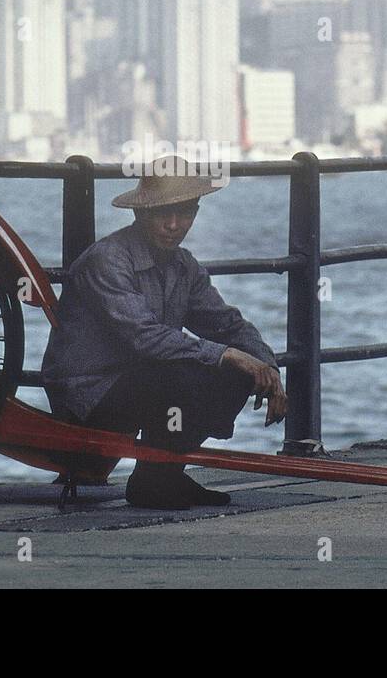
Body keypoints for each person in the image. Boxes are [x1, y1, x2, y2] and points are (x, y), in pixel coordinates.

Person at [41, 155, 286, 509]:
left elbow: (228, 324)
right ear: (141, 214)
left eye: (185, 212)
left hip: (143, 380)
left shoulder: (185, 266)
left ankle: (163, 474)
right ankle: (157, 479)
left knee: (234, 371)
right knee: (186, 374)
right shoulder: (108, 260)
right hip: (89, 391)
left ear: (196, 213)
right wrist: (229, 355)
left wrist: (266, 366)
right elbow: (145, 338)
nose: (174, 225)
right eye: (163, 214)